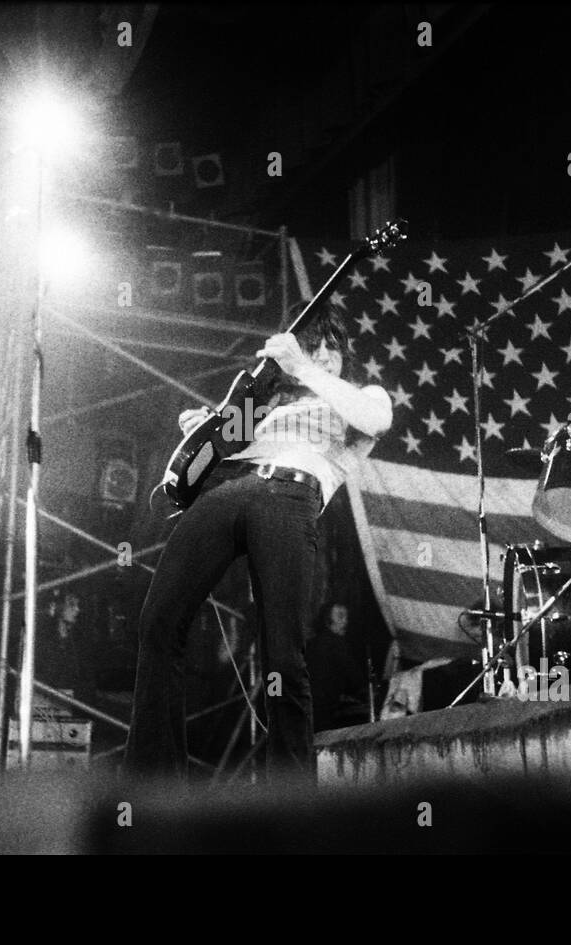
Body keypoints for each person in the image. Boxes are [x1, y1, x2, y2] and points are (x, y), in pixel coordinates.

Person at [124, 305, 393, 783]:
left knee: (282, 652)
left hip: (292, 494)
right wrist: (204, 430)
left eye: (333, 348)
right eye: (315, 346)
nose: (325, 356)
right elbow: (222, 444)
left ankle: (288, 797)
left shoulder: (356, 398)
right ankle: (154, 782)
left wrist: (304, 366)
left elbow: (377, 418)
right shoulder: (270, 404)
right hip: (229, 490)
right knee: (158, 621)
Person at [305, 602, 368, 732]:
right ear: (327, 621)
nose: (345, 622)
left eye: (346, 617)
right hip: (325, 711)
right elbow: (355, 679)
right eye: (340, 617)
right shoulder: (337, 645)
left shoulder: (310, 644)